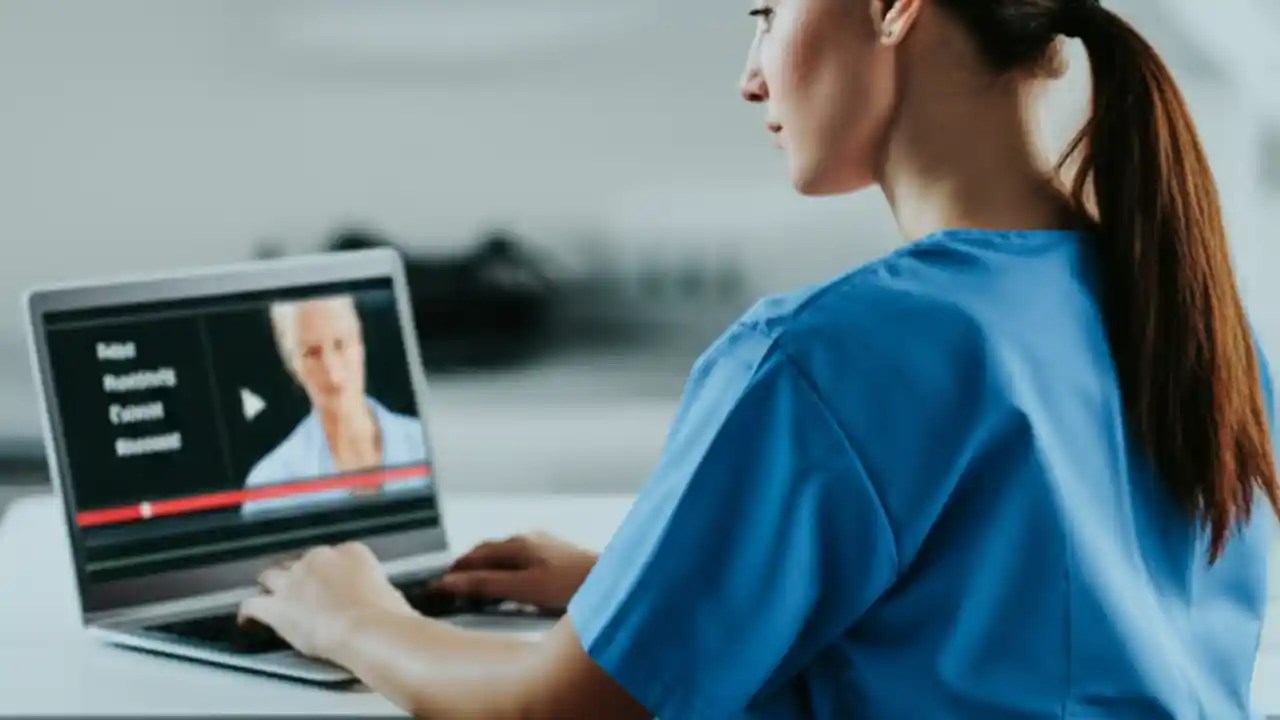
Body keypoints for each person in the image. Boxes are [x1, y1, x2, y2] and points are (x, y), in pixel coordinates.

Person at [238, 1, 1280, 717]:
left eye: (766, 13)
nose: (748, 76)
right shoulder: (1187, 314)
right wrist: (639, 590)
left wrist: (355, 621)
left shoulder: (827, 355)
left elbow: (555, 709)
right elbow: (1019, 627)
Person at [240, 295, 429, 518]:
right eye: (311, 353)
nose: (333, 373)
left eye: (341, 345)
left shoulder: (426, 443)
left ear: (360, 344)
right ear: (292, 365)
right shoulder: (269, 484)